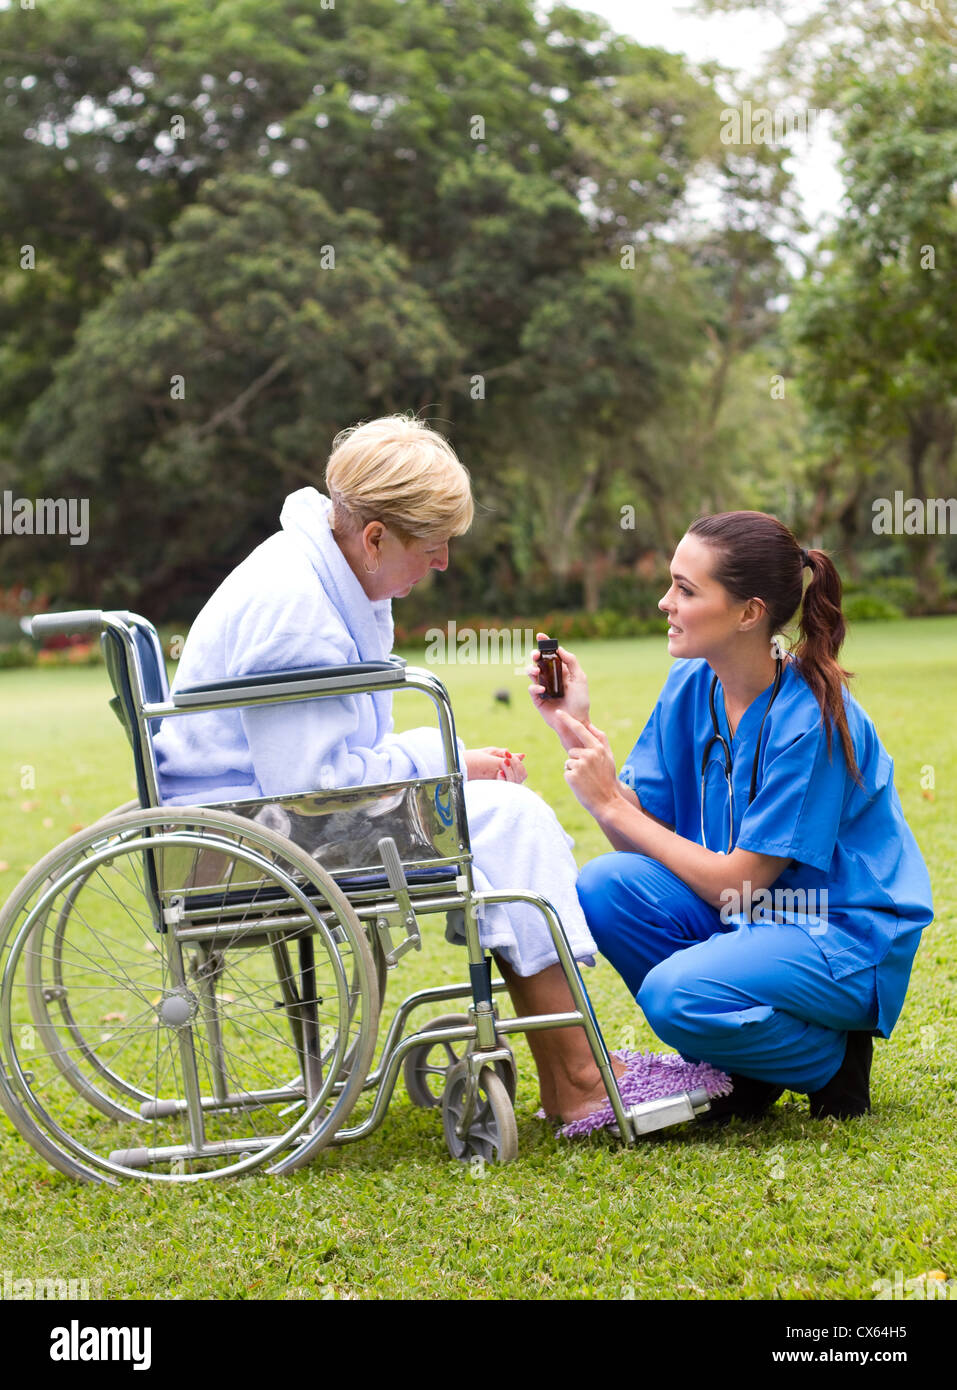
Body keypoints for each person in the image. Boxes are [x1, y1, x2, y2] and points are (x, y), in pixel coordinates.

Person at [153, 414, 627, 1125]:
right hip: (250, 840)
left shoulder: (318, 572)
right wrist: (443, 763)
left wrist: (449, 764)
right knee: (512, 819)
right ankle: (578, 1077)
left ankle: (573, 1072)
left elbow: (322, 761)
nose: (440, 564)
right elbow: (314, 784)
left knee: (496, 815)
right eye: (432, 547)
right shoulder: (298, 610)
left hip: (251, 815)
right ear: (374, 536)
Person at [528, 511, 934, 1124]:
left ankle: (833, 1062)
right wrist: (574, 728)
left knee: (675, 995)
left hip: (838, 933)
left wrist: (609, 801)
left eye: (686, 590)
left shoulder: (814, 720)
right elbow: (642, 837)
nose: (665, 602)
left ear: (749, 612)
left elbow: (732, 881)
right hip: (752, 917)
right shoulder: (692, 682)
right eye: (671, 582)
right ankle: (746, 1066)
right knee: (603, 886)